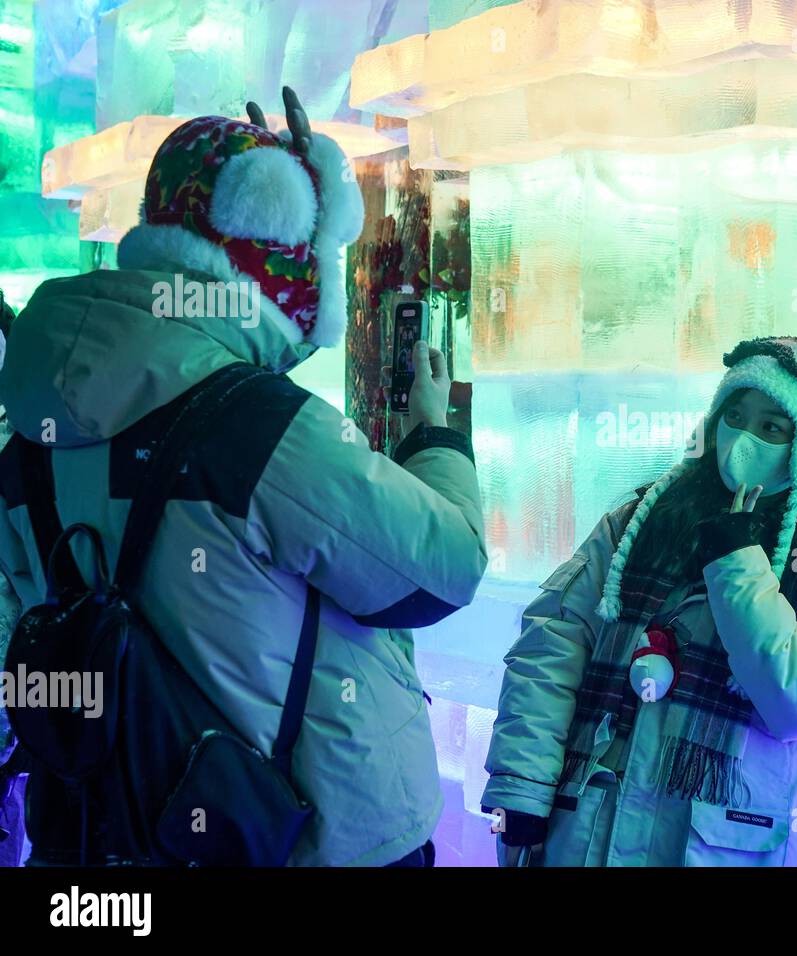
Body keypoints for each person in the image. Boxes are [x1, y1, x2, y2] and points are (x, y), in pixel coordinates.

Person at [0, 89, 487, 866]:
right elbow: (443, 569)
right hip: (303, 839)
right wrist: (437, 435)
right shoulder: (258, 424)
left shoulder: (30, 434)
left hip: (113, 842)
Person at [481, 336, 797, 866]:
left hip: (715, 846)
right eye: (735, 415)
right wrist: (522, 787)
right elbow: (552, 642)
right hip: (584, 832)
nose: (744, 438)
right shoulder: (642, 521)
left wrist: (738, 560)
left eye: (772, 426)